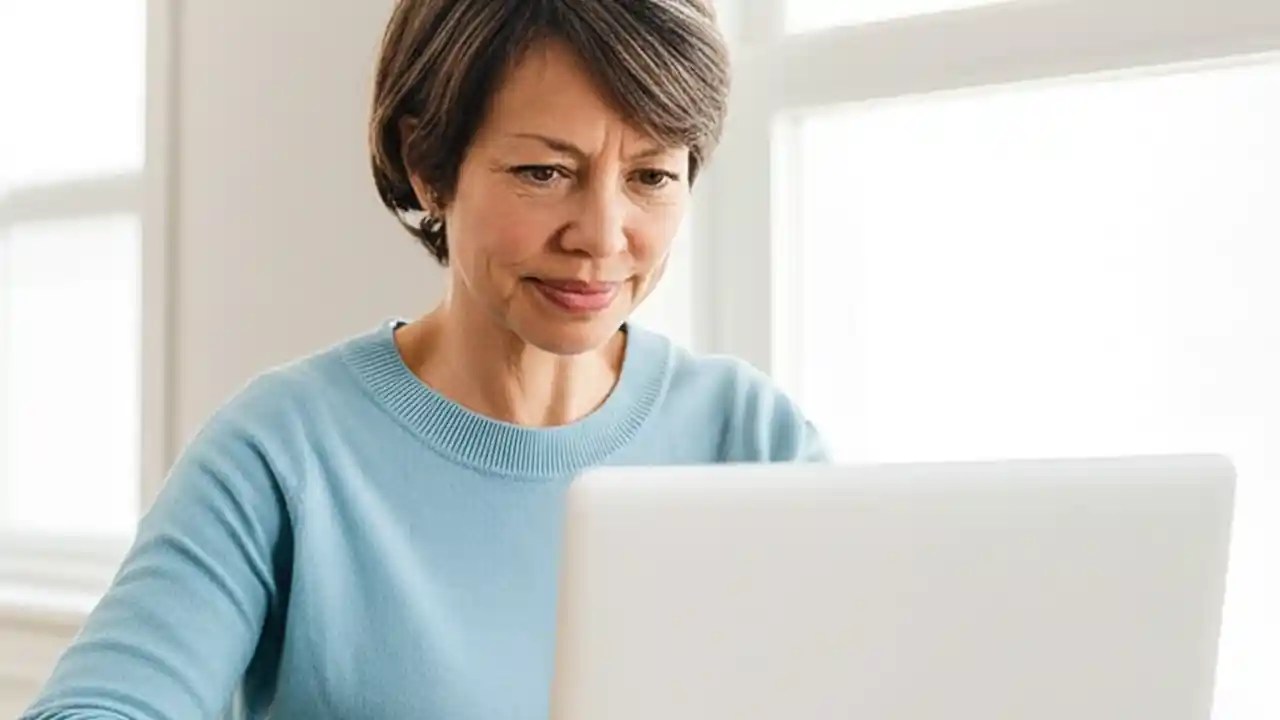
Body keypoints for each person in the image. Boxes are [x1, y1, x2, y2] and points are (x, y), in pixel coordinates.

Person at [23, 1, 826, 717]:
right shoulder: (283, 453)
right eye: (545, 173)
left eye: (651, 176)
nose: (602, 235)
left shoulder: (751, 440)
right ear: (428, 166)